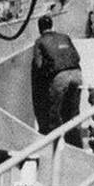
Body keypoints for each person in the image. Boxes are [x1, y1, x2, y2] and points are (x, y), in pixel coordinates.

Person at [32, 15, 83, 143]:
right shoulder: (65, 37)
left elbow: (38, 65)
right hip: (77, 75)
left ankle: (53, 149)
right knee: (73, 114)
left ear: (40, 29)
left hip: (59, 78)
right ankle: (76, 146)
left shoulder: (40, 41)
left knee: (53, 115)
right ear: (52, 26)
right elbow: (77, 57)